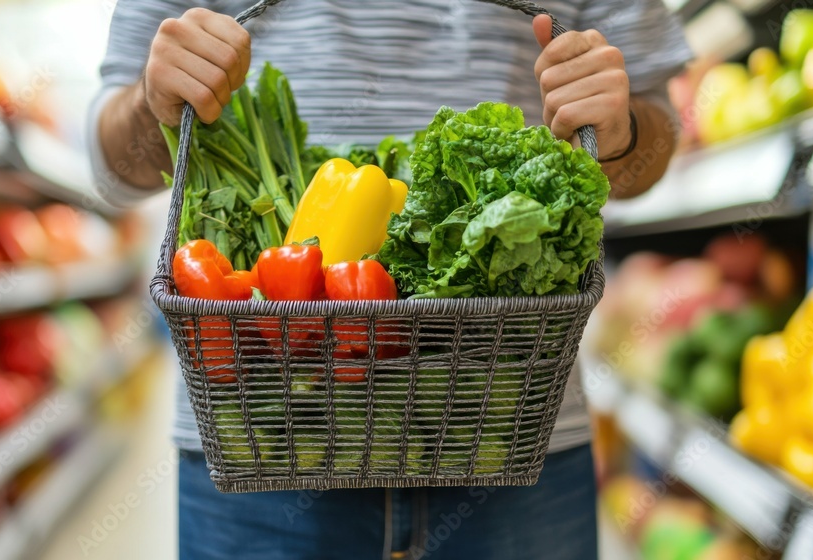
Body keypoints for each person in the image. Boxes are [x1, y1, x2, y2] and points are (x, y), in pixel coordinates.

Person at [89, 1, 690, 558]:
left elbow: (658, 135)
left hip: (509, 420)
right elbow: (110, 165)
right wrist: (152, 104)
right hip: (260, 426)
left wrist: (621, 132)